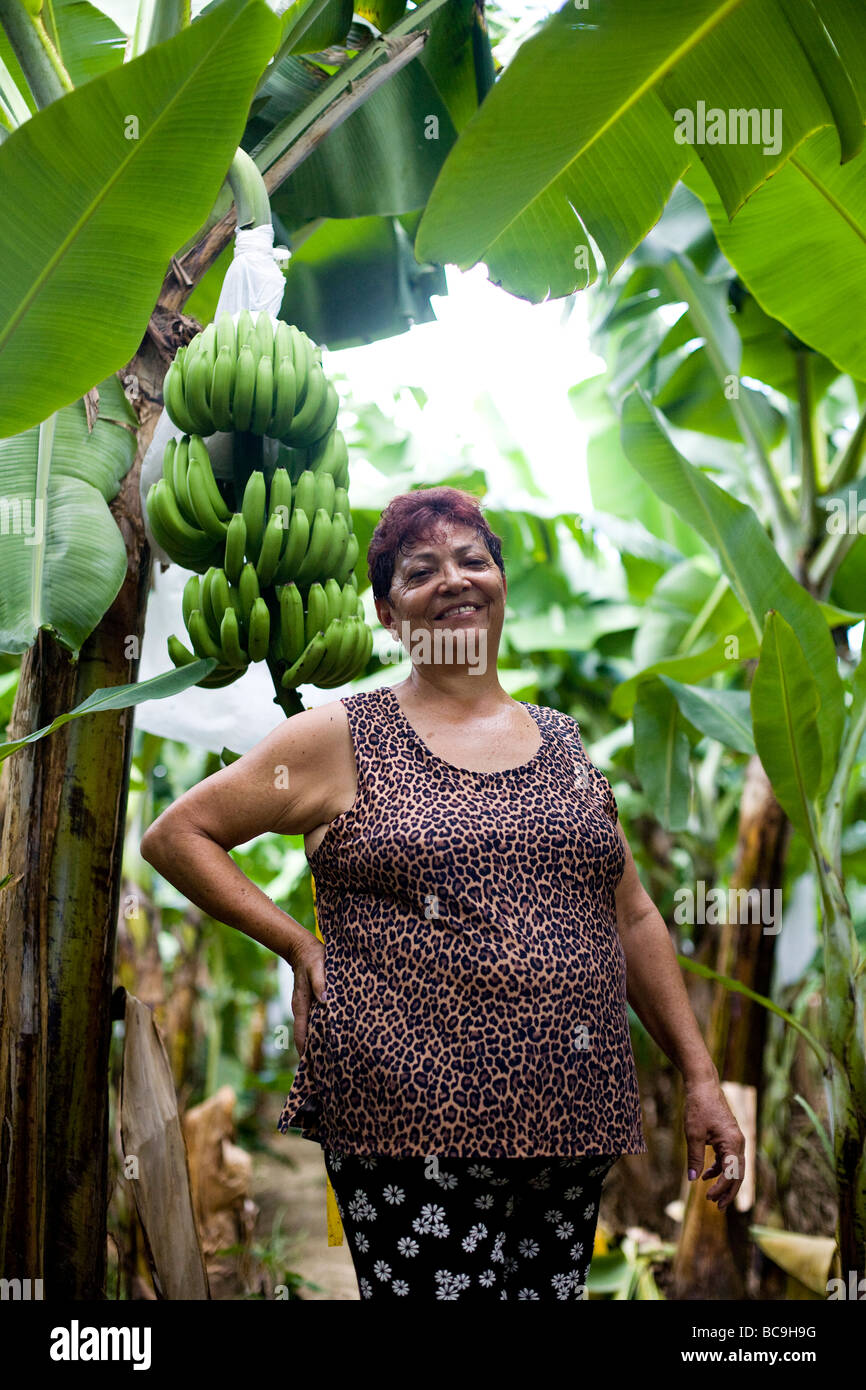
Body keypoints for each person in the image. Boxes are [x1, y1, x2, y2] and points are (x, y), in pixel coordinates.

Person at [141, 486, 746, 1302]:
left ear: (500, 583)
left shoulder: (563, 741)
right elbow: (179, 835)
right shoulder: (340, 737)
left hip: (569, 1122)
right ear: (388, 615)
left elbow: (631, 913)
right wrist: (298, 944)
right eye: (421, 571)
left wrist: (701, 1076)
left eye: (474, 560)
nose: (455, 580)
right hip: (407, 1117)